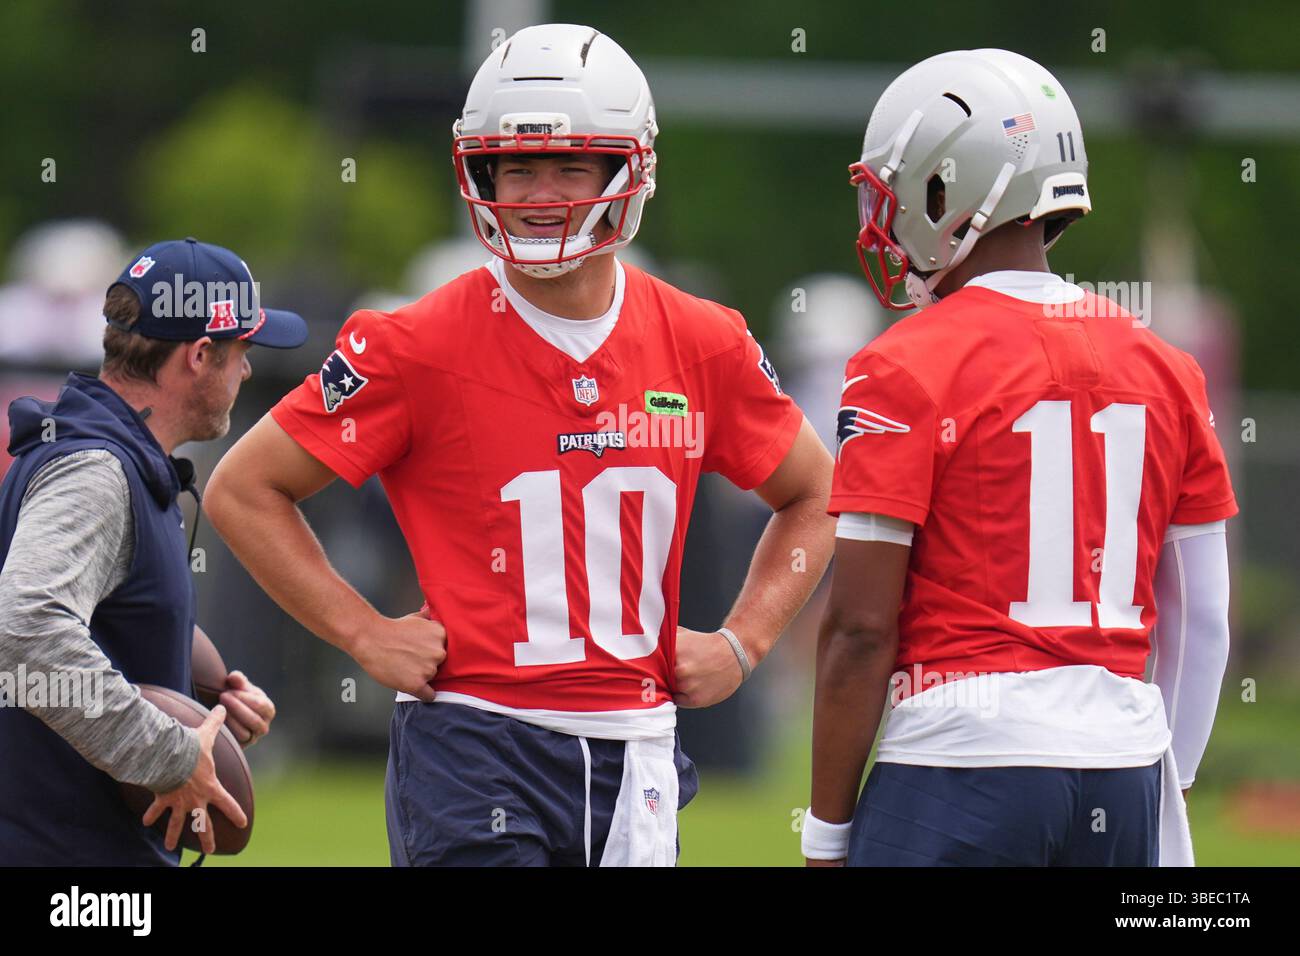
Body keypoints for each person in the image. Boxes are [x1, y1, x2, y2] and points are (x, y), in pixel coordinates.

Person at [205, 24, 836, 867]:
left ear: (629, 169)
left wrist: (743, 641)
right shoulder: (415, 342)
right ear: (480, 171)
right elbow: (243, 489)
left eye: (570, 164)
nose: (540, 192)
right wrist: (363, 633)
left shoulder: (702, 340)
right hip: (474, 741)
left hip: (636, 741)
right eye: (517, 166)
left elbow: (819, 494)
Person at [804, 50, 1236, 867]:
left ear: (946, 189)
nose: (884, 219)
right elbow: (1205, 617)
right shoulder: (1168, 366)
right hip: (1123, 763)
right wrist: (1161, 783)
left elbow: (861, 628)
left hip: (959, 758)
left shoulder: (905, 363)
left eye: (895, 193)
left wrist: (825, 834)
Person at [0, 238, 302, 864]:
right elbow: (23, 630)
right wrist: (167, 753)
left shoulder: (118, 456)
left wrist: (198, 692)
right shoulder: (96, 470)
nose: (247, 369)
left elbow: (94, 613)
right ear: (199, 356)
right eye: (242, 351)